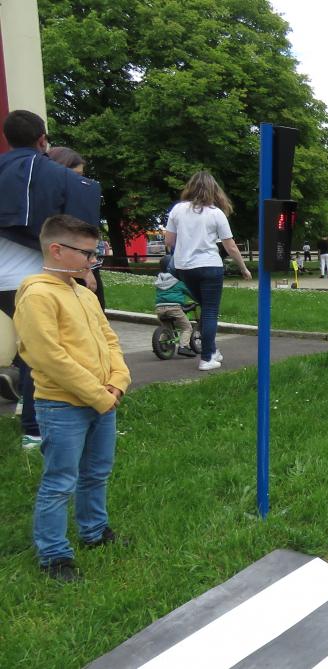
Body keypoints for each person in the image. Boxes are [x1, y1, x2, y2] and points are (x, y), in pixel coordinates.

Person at [14, 215, 131, 582]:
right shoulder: (37, 295)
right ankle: (54, 555)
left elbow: (109, 339)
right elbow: (49, 356)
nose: (92, 260)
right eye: (86, 253)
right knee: (60, 480)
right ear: (56, 250)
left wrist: (117, 381)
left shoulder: (83, 292)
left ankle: (94, 532)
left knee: (96, 472)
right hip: (62, 405)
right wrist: (98, 394)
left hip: (102, 400)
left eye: (94, 253)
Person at [0, 110, 102, 451]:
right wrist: (86, 269)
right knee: (43, 354)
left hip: (4, 281)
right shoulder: (55, 177)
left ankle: (26, 405)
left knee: (26, 349)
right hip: (32, 280)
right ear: (43, 140)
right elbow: (77, 231)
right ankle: (35, 428)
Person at [163, 171, 252, 371]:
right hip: (210, 267)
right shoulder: (215, 213)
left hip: (185, 268)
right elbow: (231, 247)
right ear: (214, 190)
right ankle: (206, 358)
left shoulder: (178, 210)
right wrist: (243, 268)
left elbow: (169, 241)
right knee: (210, 311)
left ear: (191, 187)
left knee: (204, 307)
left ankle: (212, 349)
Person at [48, 146, 107, 309]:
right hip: (69, 271)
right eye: (75, 176)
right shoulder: (54, 200)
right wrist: (87, 271)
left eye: (81, 176)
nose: (80, 183)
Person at [154, 256, 197, 358]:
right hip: (174, 308)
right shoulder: (178, 281)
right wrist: (199, 298)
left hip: (159, 308)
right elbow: (190, 293)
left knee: (167, 328)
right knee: (186, 327)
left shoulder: (159, 281)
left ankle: (162, 345)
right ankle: (184, 347)